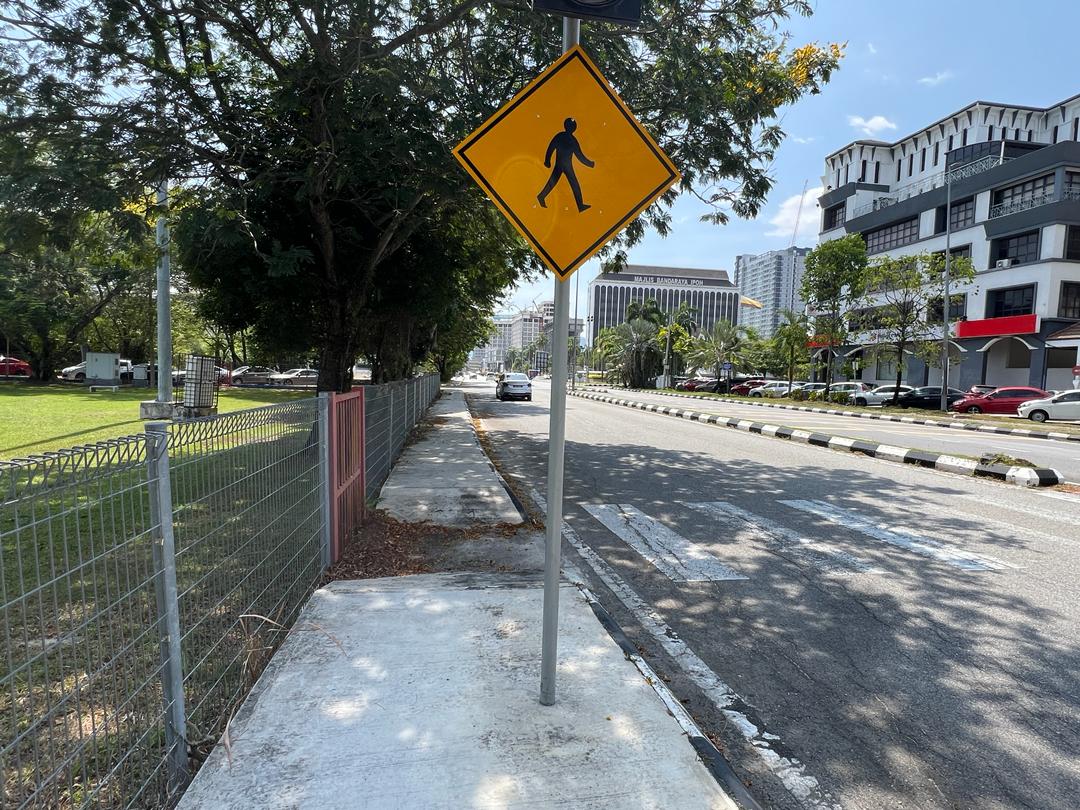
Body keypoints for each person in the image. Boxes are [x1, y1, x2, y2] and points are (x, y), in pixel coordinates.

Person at [537, 117, 595, 212]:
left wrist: (590, 164)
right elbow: (551, 147)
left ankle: (541, 196)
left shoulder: (566, 138)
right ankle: (580, 205)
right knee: (572, 184)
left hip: (565, 165)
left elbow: (579, 155)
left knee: (556, 183)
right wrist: (547, 161)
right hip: (563, 165)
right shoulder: (568, 138)